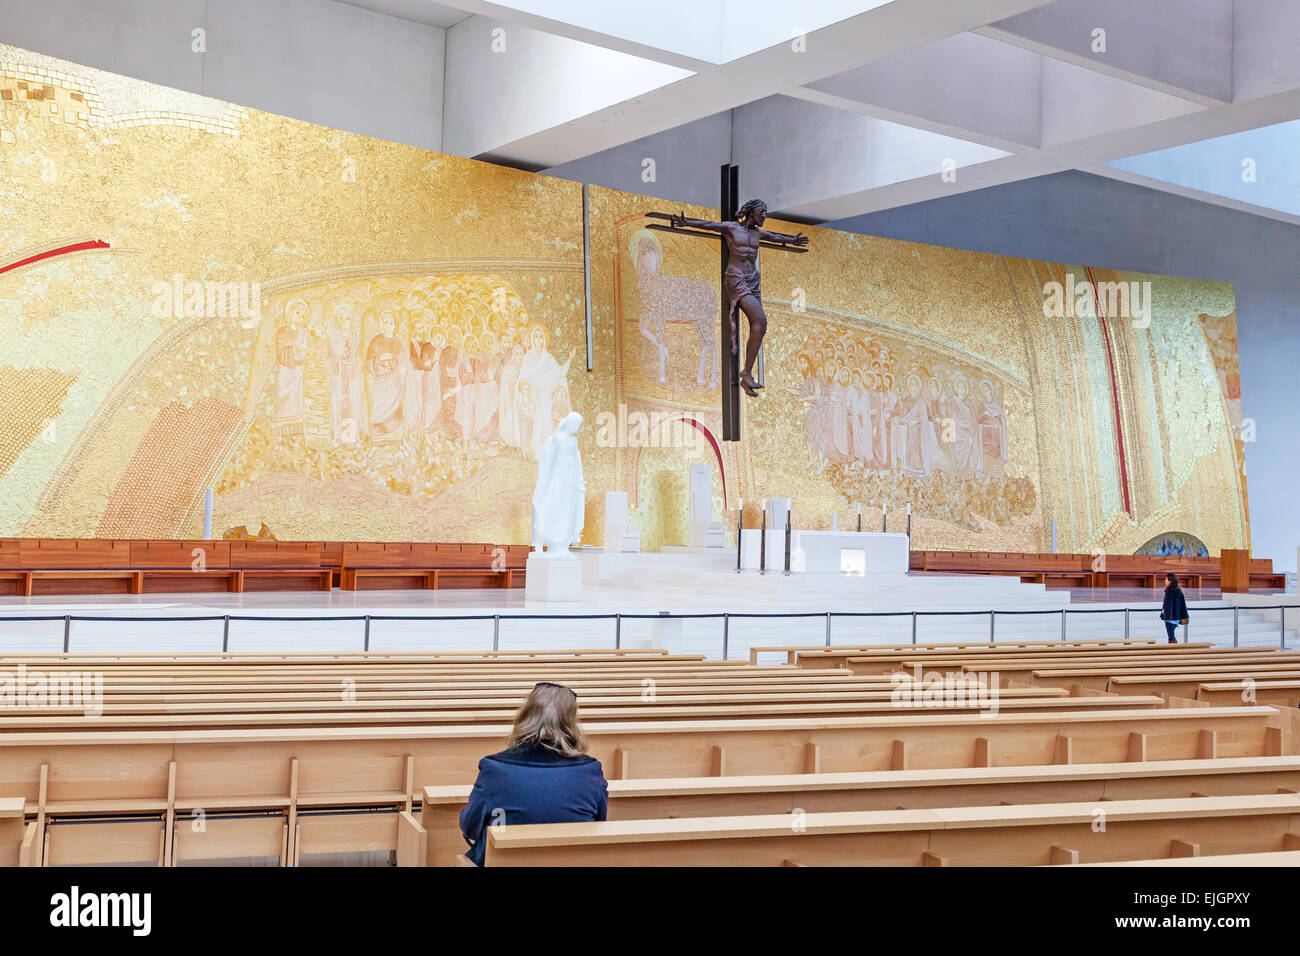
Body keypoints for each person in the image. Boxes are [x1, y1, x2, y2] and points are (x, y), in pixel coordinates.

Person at [459, 682, 608, 866]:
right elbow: (599, 824)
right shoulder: (591, 770)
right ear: (571, 722)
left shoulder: (495, 768)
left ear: (525, 715)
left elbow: (471, 828)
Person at [1161, 572, 1189, 643]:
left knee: (1171, 638)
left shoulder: (1169, 591)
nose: (1165, 581)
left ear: (1170, 581)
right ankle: (1173, 650)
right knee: (1171, 637)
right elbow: (1183, 604)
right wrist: (1184, 615)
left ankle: (1173, 651)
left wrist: (1166, 617)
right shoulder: (1179, 590)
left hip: (1169, 618)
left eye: (1166, 579)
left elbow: (1167, 606)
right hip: (1176, 617)